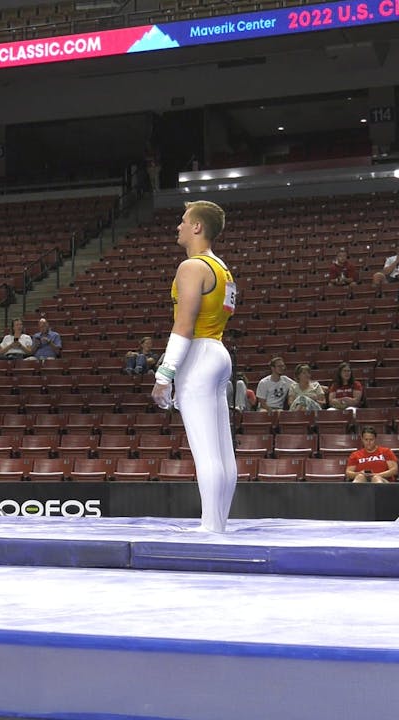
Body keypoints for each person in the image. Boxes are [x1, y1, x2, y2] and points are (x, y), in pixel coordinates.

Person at [150, 200, 238, 533]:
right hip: (217, 350)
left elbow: (183, 325)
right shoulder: (221, 268)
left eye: (183, 221)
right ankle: (218, 523)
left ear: (198, 227)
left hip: (198, 355)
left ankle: (210, 529)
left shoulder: (191, 268)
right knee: (222, 448)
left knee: (205, 450)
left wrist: (164, 375)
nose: (178, 226)